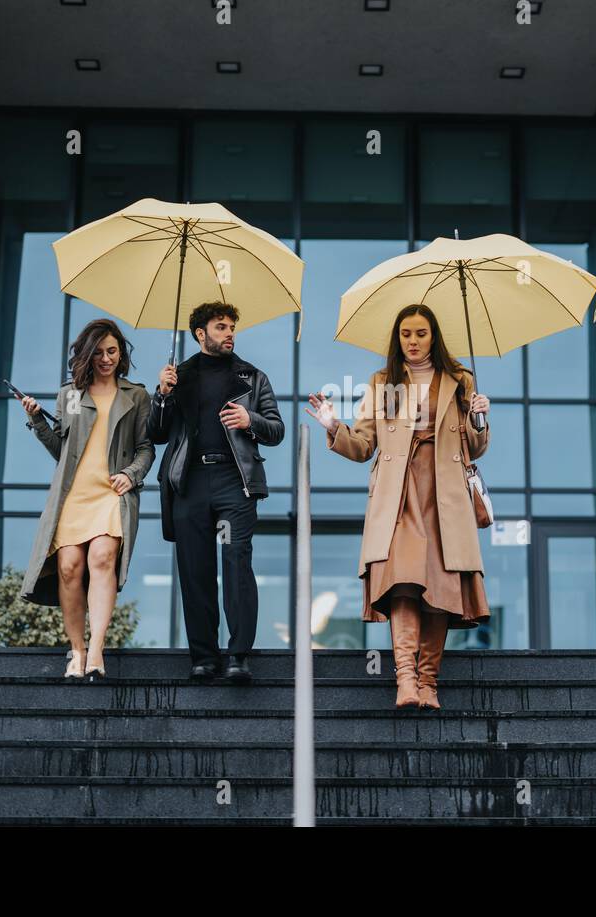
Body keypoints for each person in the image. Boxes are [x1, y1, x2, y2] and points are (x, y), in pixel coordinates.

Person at [305, 304, 491, 709]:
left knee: (442, 586)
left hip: (445, 495)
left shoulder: (460, 381)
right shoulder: (381, 382)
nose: (412, 341)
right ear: (398, 338)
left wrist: (478, 418)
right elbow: (363, 445)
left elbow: (475, 447)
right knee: (403, 584)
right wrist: (334, 427)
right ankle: (405, 679)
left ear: (433, 336)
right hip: (399, 495)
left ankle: (429, 683)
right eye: (406, 333)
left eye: (420, 333)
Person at [148, 301, 285, 683]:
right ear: (200, 334)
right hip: (189, 485)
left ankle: (238, 655)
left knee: (236, 563)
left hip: (233, 483)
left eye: (231, 327)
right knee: (196, 570)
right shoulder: (179, 376)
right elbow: (156, 434)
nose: (229, 333)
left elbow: (276, 430)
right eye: (221, 327)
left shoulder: (251, 377)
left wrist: (250, 419)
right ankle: (204, 657)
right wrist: (162, 395)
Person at [19, 319, 154, 679]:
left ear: (121, 354)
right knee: (68, 569)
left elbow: (146, 448)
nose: (106, 358)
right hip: (75, 495)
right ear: (87, 355)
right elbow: (60, 450)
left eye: (112, 351)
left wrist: (132, 474)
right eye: (99, 352)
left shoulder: (137, 396)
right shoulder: (70, 395)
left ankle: (96, 652)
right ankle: (75, 652)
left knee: (102, 557)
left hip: (111, 492)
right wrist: (36, 420)